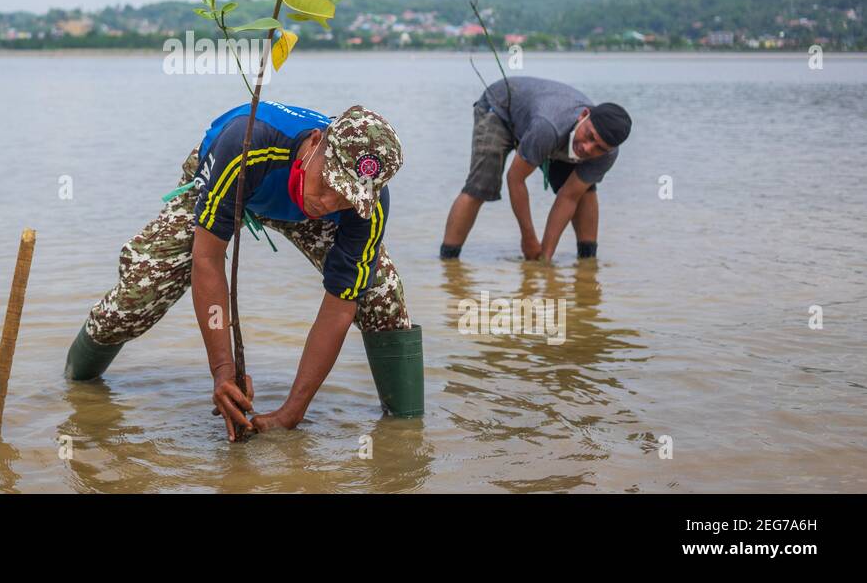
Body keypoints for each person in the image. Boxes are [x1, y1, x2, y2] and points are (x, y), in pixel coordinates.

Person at [64, 101, 423, 441]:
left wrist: (292, 412)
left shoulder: (365, 208)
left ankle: (405, 433)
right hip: (230, 178)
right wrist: (223, 370)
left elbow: (341, 304)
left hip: (290, 200)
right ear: (316, 142)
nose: (328, 202)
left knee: (381, 297)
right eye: (329, 183)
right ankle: (75, 384)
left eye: (345, 197)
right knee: (140, 294)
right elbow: (207, 259)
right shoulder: (246, 144)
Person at [440, 76, 631, 263]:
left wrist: (545, 258)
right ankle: (448, 262)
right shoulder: (548, 127)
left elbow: (569, 197)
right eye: (589, 136)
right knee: (480, 186)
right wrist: (529, 238)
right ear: (583, 116)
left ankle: (588, 262)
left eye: (599, 147)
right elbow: (515, 179)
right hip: (499, 110)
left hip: (542, 123)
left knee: (585, 191)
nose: (588, 148)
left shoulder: (607, 155)